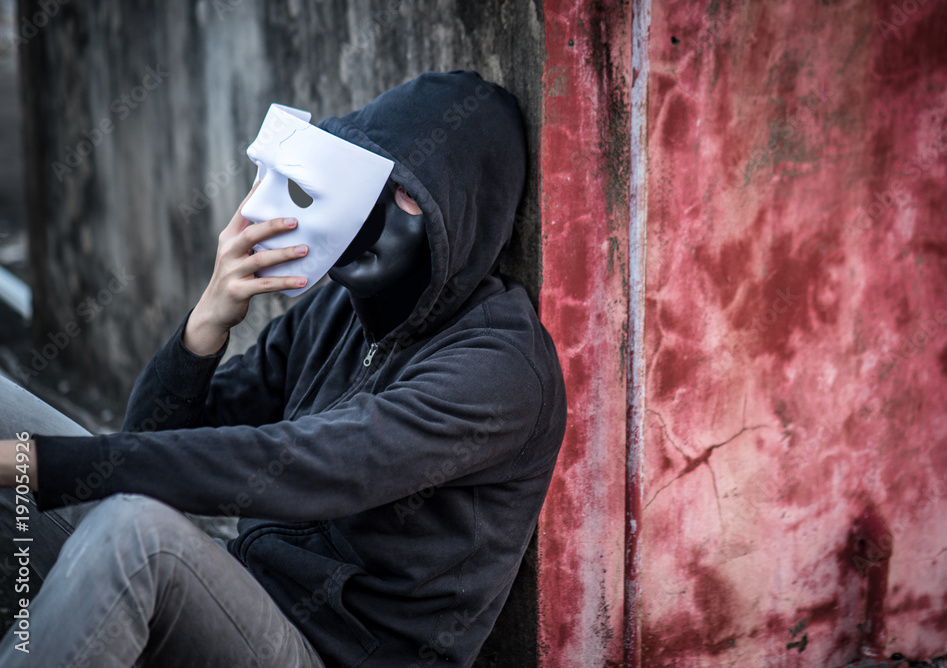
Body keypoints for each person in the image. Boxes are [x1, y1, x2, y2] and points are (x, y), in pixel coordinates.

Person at [0, 70, 566, 667]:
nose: (378, 212)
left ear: (463, 213)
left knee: (135, 536)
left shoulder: (500, 368)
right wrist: (207, 323)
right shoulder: (340, 309)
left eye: (408, 192)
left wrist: (36, 461)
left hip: (327, 654)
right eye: (372, 182)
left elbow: (305, 463)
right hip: (241, 590)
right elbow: (148, 442)